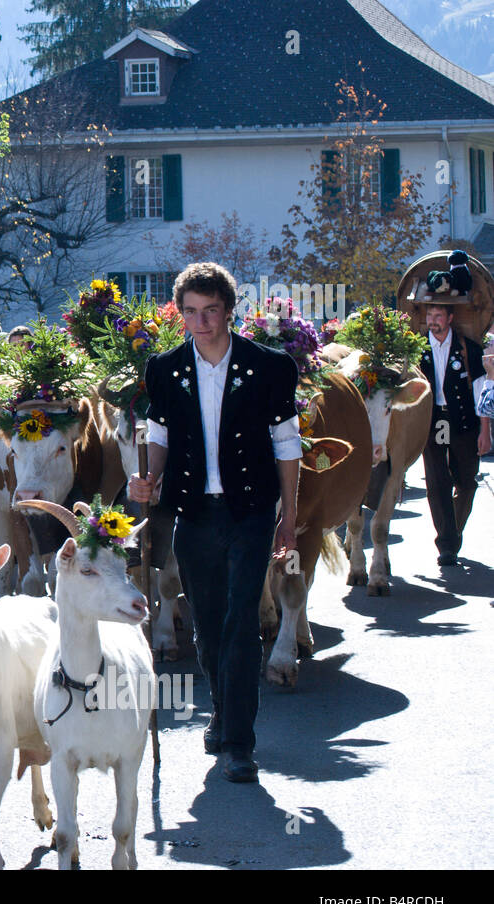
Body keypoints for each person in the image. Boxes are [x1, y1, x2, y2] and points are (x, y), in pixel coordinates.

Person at [128, 262, 301, 784]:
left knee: (240, 622)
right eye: (190, 313)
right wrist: (149, 481)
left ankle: (239, 743)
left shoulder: (269, 367)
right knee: (204, 625)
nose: (200, 323)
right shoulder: (165, 369)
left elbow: (287, 444)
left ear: (228, 312)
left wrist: (288, 517)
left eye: (209, 312)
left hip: (249, 512)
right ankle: (222, 710)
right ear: (180, 314)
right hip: (192, 512)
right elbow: (156, 436)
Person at [418, 304, 490, 565]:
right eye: (429, 316)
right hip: (436, 421)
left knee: (467, 483)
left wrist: (485, 431)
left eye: (438, 316)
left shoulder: (469, 349)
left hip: (464, 422)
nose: (433, 321)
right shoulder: (418, 350)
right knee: (437, 483)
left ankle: (453, 531)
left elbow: (482, 395)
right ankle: (446, 544)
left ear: (450, 318)